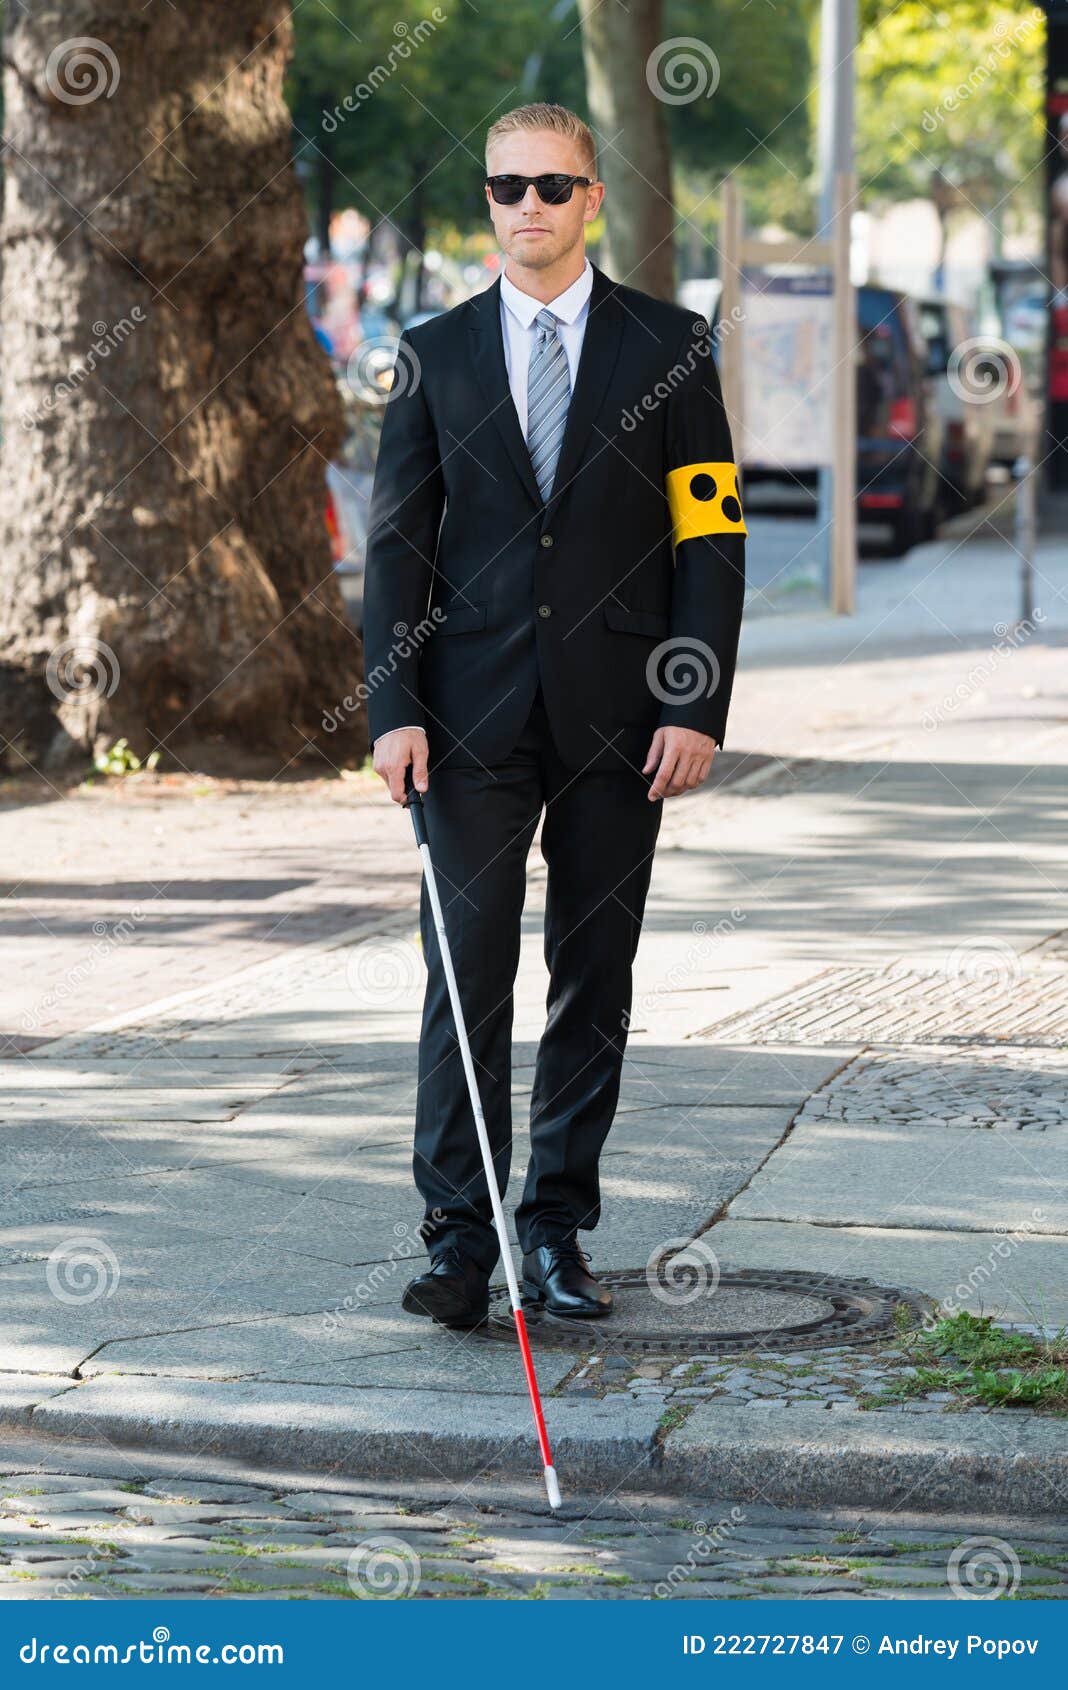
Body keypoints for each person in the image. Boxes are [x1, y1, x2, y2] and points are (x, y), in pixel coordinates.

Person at [362, 102, 746, 1329]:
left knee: (595, 973)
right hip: (463, 721)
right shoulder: (435, 352)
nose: (525, 204)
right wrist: (392, 706)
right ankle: (457, 1242)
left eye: (550, 184)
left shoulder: (672, 346)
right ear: (489, 200)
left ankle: (555, 1234)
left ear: (591, 196)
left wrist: (695, 701)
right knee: (461, 978)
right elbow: (395, 548)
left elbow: (714, 541)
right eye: (504, 185)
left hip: (624, 722)